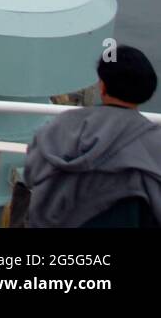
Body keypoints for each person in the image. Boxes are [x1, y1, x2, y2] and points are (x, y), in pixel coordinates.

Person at [24, 46, 161, 228]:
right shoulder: (155, 142)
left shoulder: (60, 126)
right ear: (147, 92)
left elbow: (31, 175)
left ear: (102, 86)